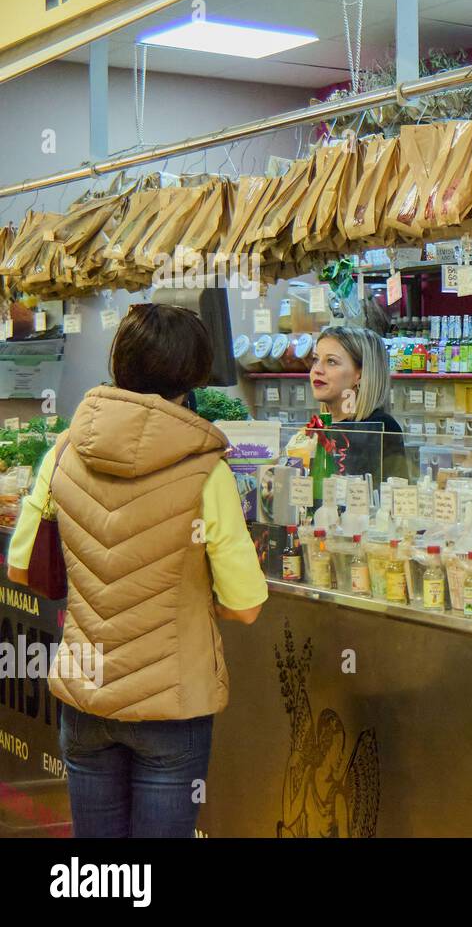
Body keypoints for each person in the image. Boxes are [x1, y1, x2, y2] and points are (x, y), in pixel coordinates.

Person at [6, 303, 267, 838]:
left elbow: (19, 565)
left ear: (118, 363)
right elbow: (245, 605)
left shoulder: (62, 452)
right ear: (193, 375)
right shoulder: (206, 473)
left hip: (86, 698)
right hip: (171, 706)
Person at [309, 326, 408, 483]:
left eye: (331, 361)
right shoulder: (321, 426)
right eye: (315, 359)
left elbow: (395, 500)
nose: (317, 370)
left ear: (360, 375)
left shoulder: (381, 427)